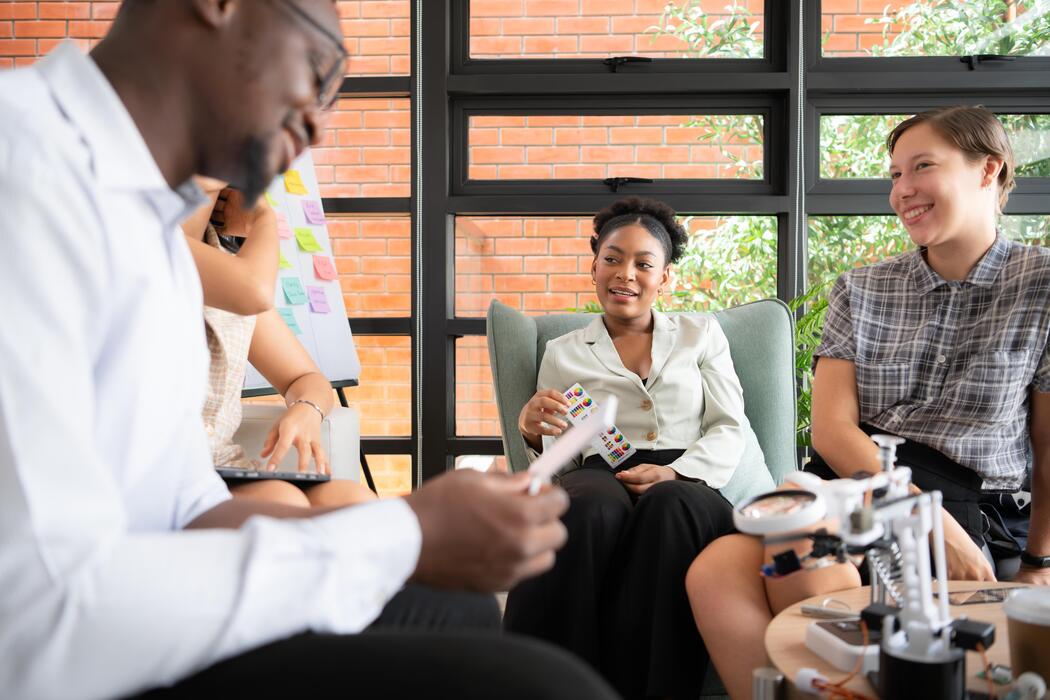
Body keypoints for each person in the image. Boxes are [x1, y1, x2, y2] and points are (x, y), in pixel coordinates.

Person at [0, 2, 618, 699]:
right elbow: (31, 619)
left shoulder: (151, 234)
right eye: (318, 70)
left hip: (111, 614)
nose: (320, 123)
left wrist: (417, 523)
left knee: (459, 611)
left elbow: (187, 508)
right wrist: (405, 536)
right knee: (548, 688)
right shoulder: (24, 168)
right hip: (58, 651)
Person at [686, 106, 1050, 700]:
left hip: (969, 500)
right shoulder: (863, 287)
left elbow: (1048, 443)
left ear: (990, 170)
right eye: (894, 174)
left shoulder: (1041, 285)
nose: (901, 190)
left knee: (785, 548)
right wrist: (918, 515)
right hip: (854, 481)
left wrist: (1039, 562)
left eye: (922, 167)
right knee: (715, 571)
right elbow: (831, 430)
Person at [503, 196, 769, 698]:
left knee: (669, 507)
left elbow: (729, 425)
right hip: (601, 471)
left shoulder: (701, 334)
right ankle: (555, 683)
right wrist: (533, 431)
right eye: (612, 258)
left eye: (644, 263)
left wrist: (679, 473)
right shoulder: (561, 352)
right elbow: (569, 451)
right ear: (594, 265)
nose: (625, 273)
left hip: (689, 476)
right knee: (586, 506)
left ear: (665, 277)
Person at [181, 179, 375, 508]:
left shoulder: (226, 261)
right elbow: (253, 290)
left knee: (359, 504)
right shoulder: (148, 240)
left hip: (223, 465)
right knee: (283, 500)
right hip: (164, 473)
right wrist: (262, 218)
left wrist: (306, 410)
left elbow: (306, 379)